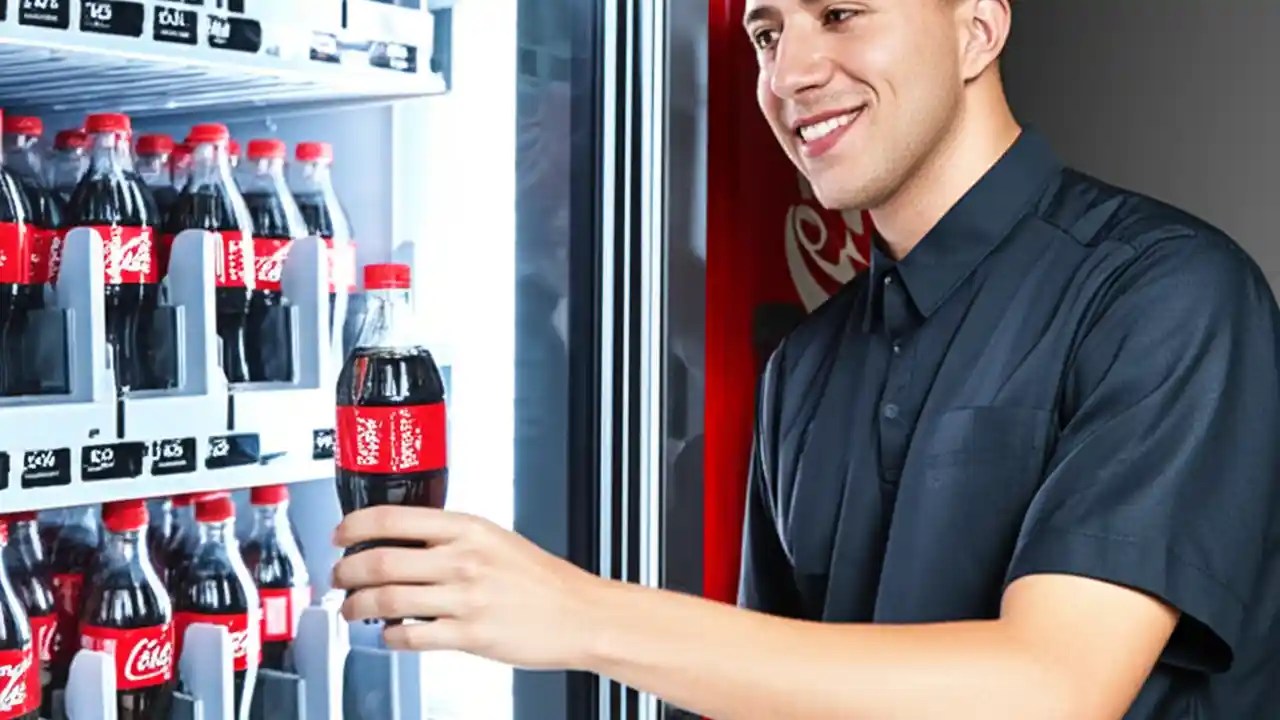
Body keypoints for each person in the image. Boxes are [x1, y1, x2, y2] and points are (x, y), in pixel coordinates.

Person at [330, 0, 1280, 717]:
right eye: (767, 34)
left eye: (839, 14)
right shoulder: (805, 370)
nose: (789, 75)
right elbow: (774, 685)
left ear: (979, 29)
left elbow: (1054, 689)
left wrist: (578, 615)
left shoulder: (1165, 292)